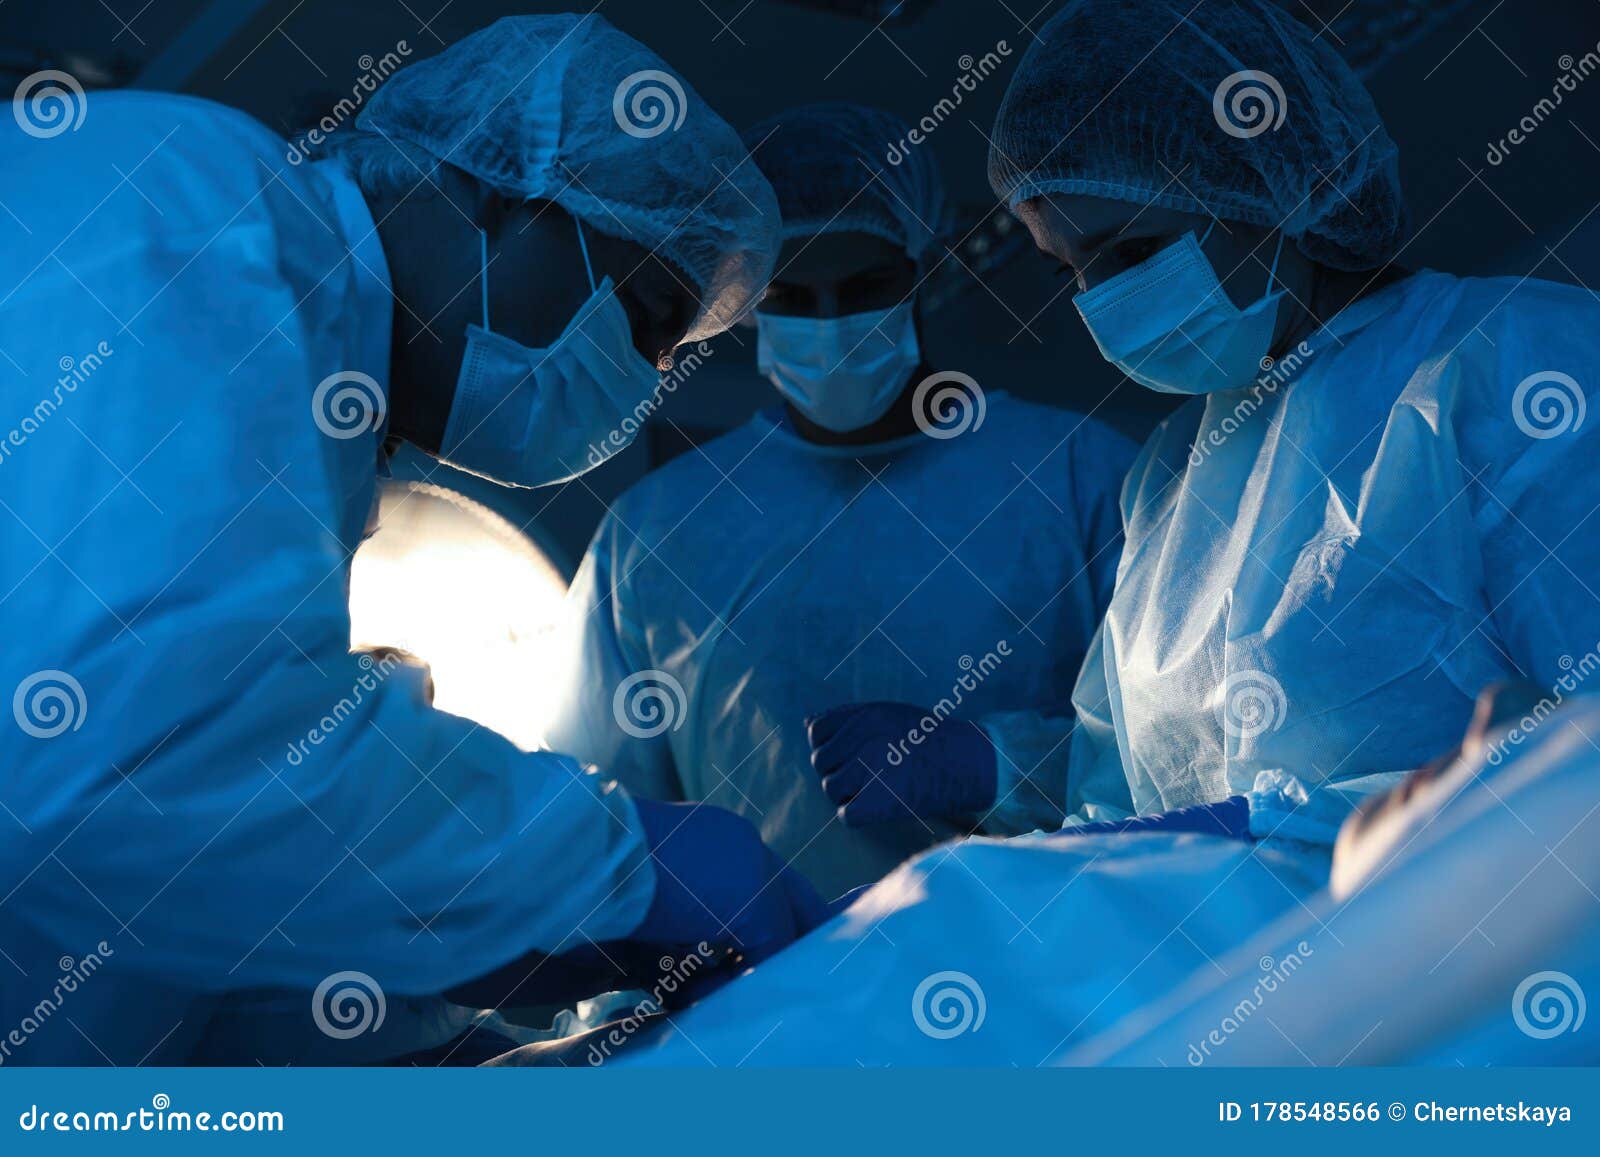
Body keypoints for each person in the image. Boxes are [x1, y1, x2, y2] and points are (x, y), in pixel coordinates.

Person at [492, 0, 1600, 1067]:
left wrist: (1269, 837)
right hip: (1189, 1024)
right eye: (1070, 271)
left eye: (1127, 251)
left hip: (1457, 1021)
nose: (1098, 302)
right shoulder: (1174, 478)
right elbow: (1114, 807)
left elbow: (1575, 764)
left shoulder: (1519, 369)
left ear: (1276, 186)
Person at [0, 14, 823, 1066]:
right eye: (649, 315)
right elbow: (133, 756)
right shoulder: (216, 224)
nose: (640, 378)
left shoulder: (309, 372)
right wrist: (610, 865)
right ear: (498, 192)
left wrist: (451, 958)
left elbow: (151, 877)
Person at [541, 103, 1137, 896]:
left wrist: (1001, 764)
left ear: (925, 269)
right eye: (790, 296)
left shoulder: (1078, 476)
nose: (828, 323)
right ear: (741, 298)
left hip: (1037, 957)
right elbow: (602, 824)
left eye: (864, 289)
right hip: (764, 972)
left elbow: (1179, 757)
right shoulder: (655, 532)